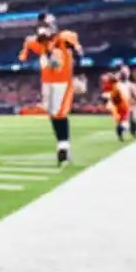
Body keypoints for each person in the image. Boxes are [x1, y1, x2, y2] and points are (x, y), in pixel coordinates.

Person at [18, 12, 82, 165]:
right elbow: (23, 57)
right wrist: (43, 47)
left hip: (63, 80)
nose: (43, 28)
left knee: (60, 114)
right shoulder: (34, 41)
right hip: (47, 81)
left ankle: (63, 146)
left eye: (45, 25)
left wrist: (73, 58)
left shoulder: (65, 37)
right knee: (54, 114)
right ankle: (62, 146)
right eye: (41, 25)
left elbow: (79, 52)